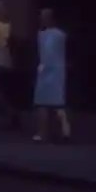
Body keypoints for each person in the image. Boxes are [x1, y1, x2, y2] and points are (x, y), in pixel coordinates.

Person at [32, 8, 71, 142]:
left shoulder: (43, 35)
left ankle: (43, 133)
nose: (41, 19)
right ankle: (64, 130)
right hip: (57, 70)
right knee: (56, 102)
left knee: (43, 103)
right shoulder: (61, 34)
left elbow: (47, 53)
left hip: (47, 70)